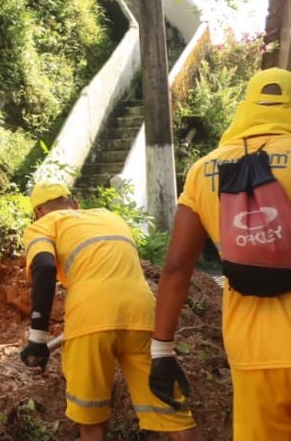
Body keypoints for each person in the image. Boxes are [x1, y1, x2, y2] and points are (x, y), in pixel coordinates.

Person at [153, 67, 291, 440]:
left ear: (245, 108)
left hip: (253, 350)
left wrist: (161, 350)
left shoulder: (204, 170)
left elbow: (178, 267)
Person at [20, 181, 198, 441]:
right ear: (75, 203)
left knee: (91, 417)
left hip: (90, 319)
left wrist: (37, 337)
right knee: (173, 410)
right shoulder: (109, 217)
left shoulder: (43, 225)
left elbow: (45, 268)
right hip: (145, 316)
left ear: (38, 211)